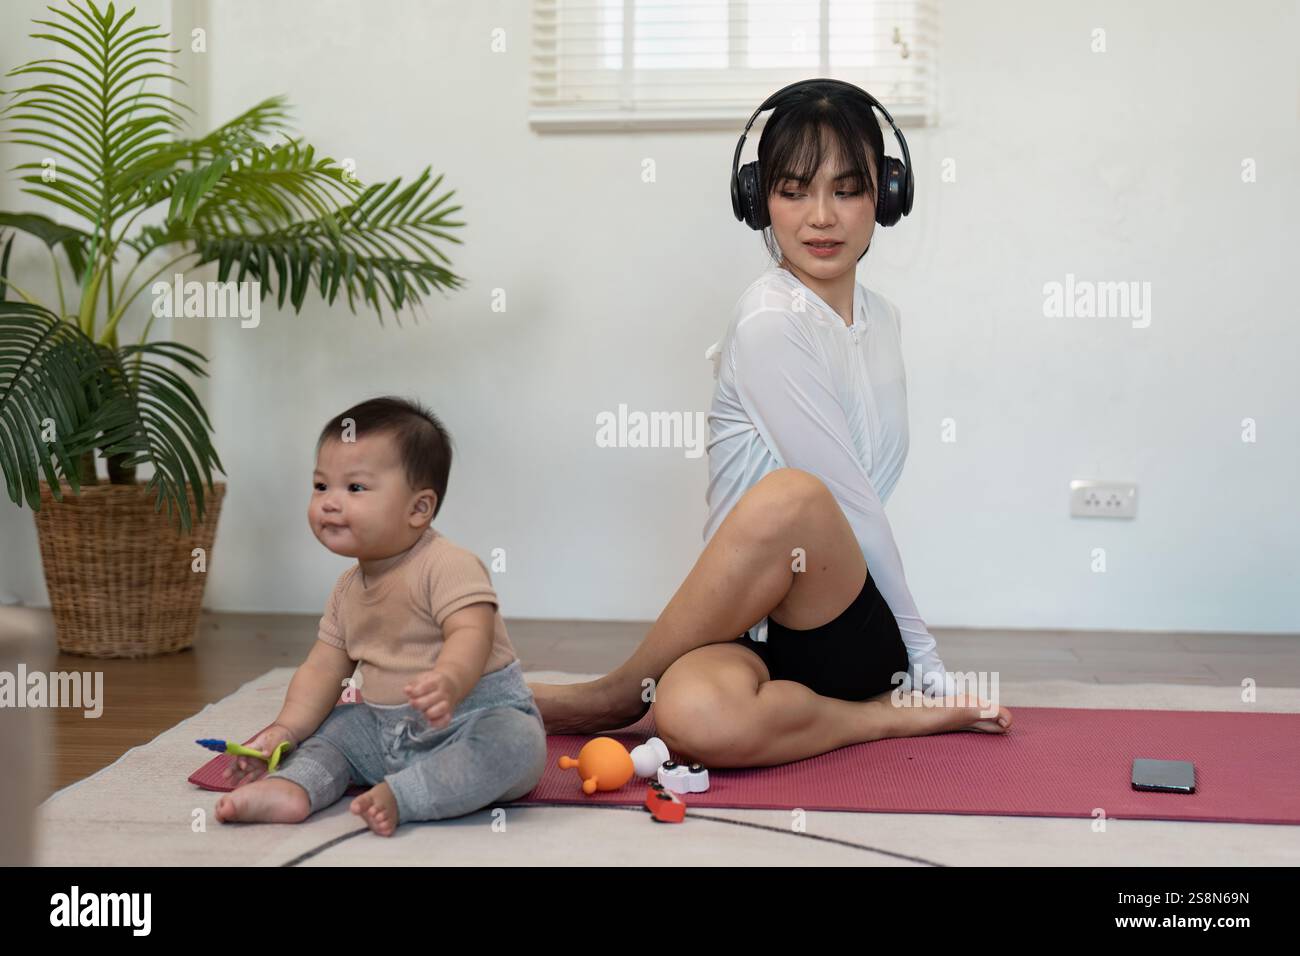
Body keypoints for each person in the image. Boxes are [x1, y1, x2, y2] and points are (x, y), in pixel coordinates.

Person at [530, 80, 1012, 767]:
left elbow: (853, 503)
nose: (822, 216)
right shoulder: (770, 321)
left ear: (888, 197)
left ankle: (613, 694)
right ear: (759, 200)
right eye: (793, 190)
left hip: (838, 623)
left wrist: (923, 661)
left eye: (848, 189)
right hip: (744, 631)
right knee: (691, 716)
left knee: (798, 496)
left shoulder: (885, 323)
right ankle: (877, 718)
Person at [215, 396, 547, 835]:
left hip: (471, 720)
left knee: (517, 746)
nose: (330, 503)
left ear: (418, 509)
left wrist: (449, 679)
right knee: (336, 730)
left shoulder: (447, 564)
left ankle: (405, 795)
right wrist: (284, 730)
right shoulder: (347, 588)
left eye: (354, 488)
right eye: (320, 486)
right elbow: (323, 669)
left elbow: (472, 632)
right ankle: (295, 786)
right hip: (385, 731)